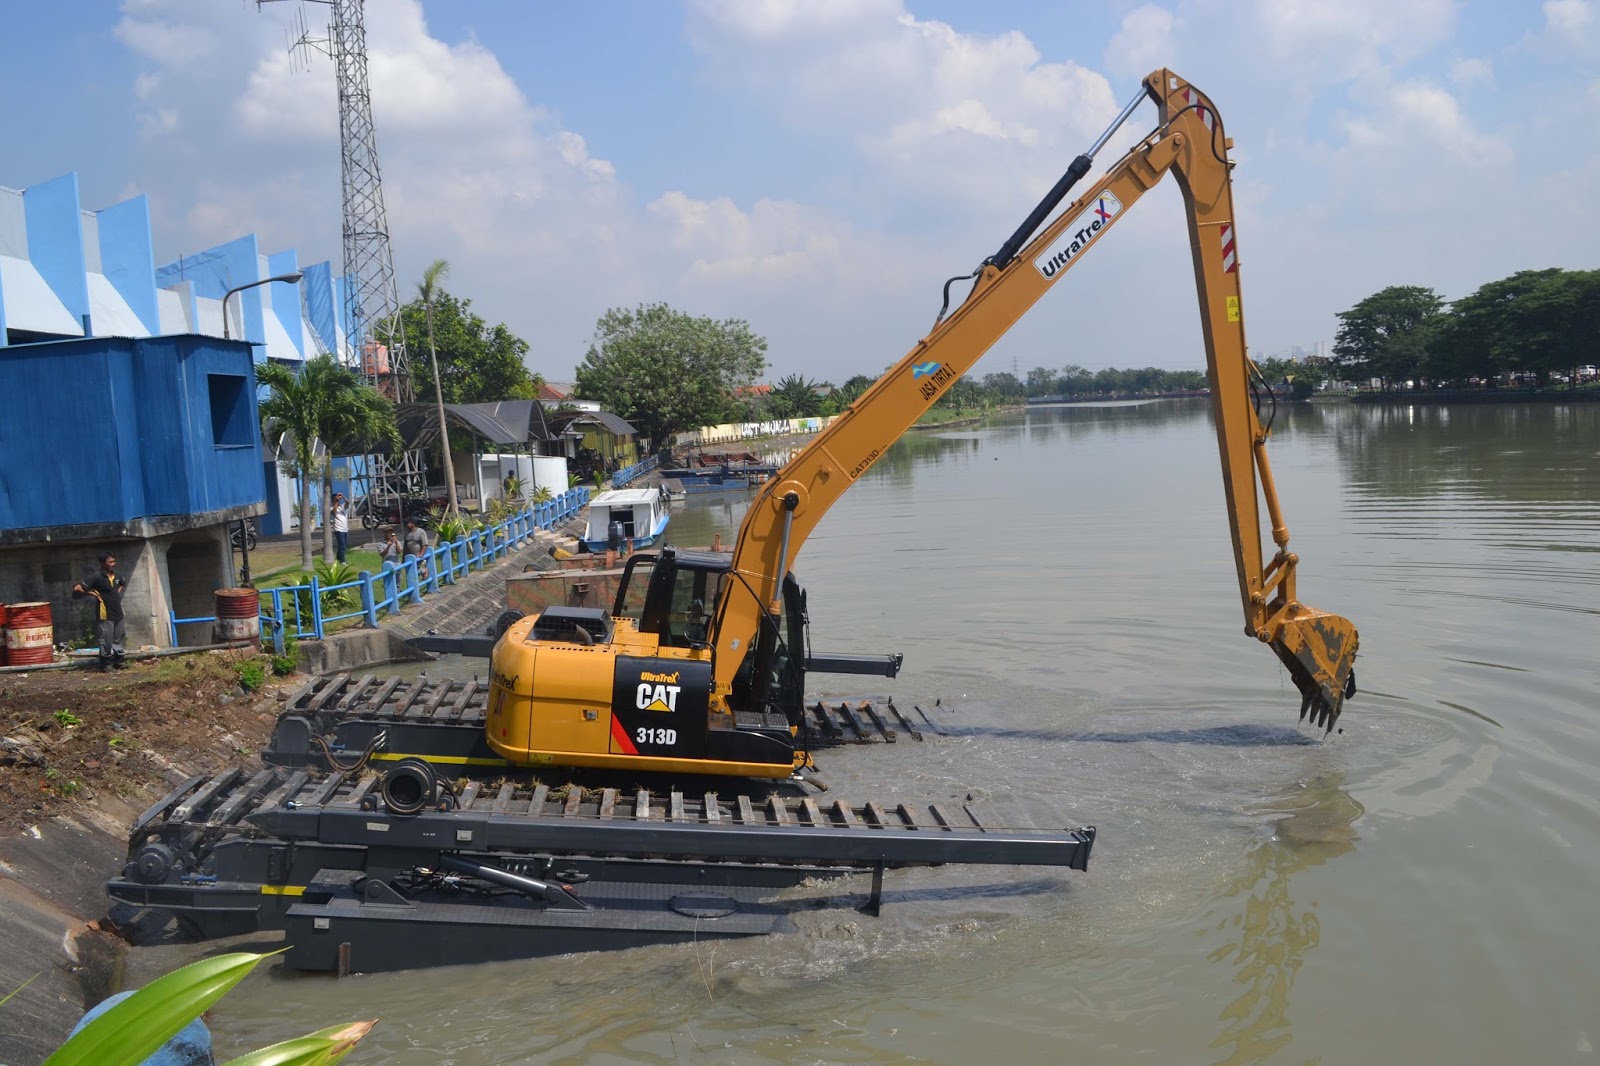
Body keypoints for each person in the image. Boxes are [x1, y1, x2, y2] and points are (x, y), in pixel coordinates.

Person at [72, 551, 128, 671]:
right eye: (110, 562)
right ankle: (106, 664)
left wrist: (117, 592)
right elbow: (78, 588)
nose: (112, 564)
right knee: (106, 638)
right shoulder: (96, 576)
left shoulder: (116, 575)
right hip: (105, 612)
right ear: (103, 563)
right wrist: (94, 594)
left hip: (117, 611)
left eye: (114, 561)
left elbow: (122, 582)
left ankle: (119, 662)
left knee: (119, 636)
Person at [330, 492, 349, 563]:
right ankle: (342, 561)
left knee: (343, 545)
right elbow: (334, 511)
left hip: (345, 529)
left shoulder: (343, 506)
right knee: (342, 545)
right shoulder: (332, 508)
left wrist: (342, 496)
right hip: (338, 529)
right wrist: (336, 501)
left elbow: (348, 502)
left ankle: (338, 558)